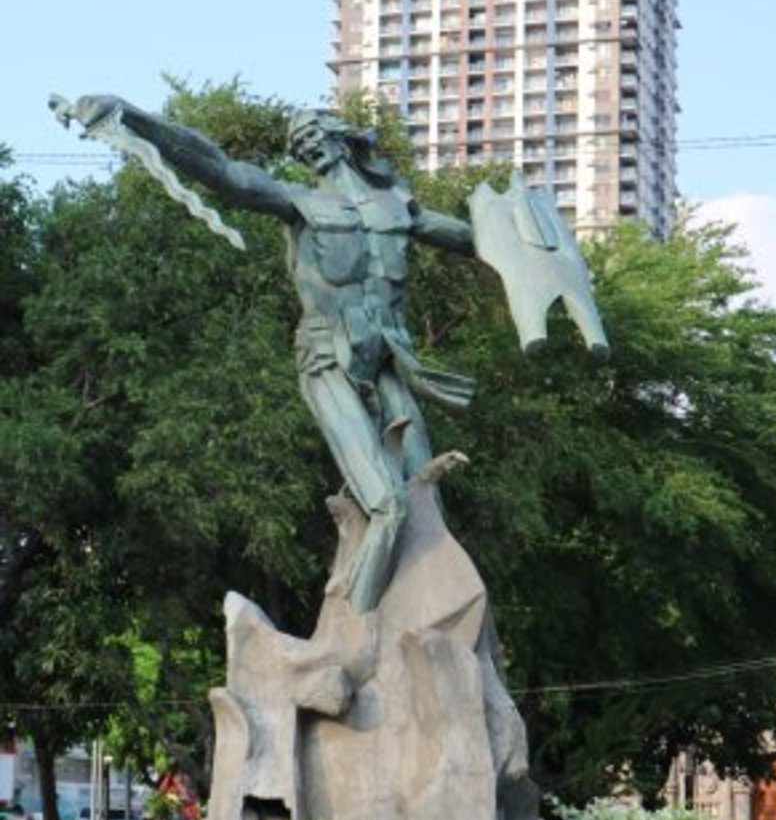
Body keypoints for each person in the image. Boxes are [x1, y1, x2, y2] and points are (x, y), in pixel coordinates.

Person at [54, 96, 479, 613]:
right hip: (326, 358)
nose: (306, 145)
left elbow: (476, 240)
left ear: (341, 137)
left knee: (426, 499)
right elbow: (223, 171)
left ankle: (439, 626)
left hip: (389, 362)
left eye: (313, 134)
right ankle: (358, 633)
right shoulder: (301, 202)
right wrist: (134, 117)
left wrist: (534, 238)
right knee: (388, 505)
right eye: (298, 143)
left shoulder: (397, 209)